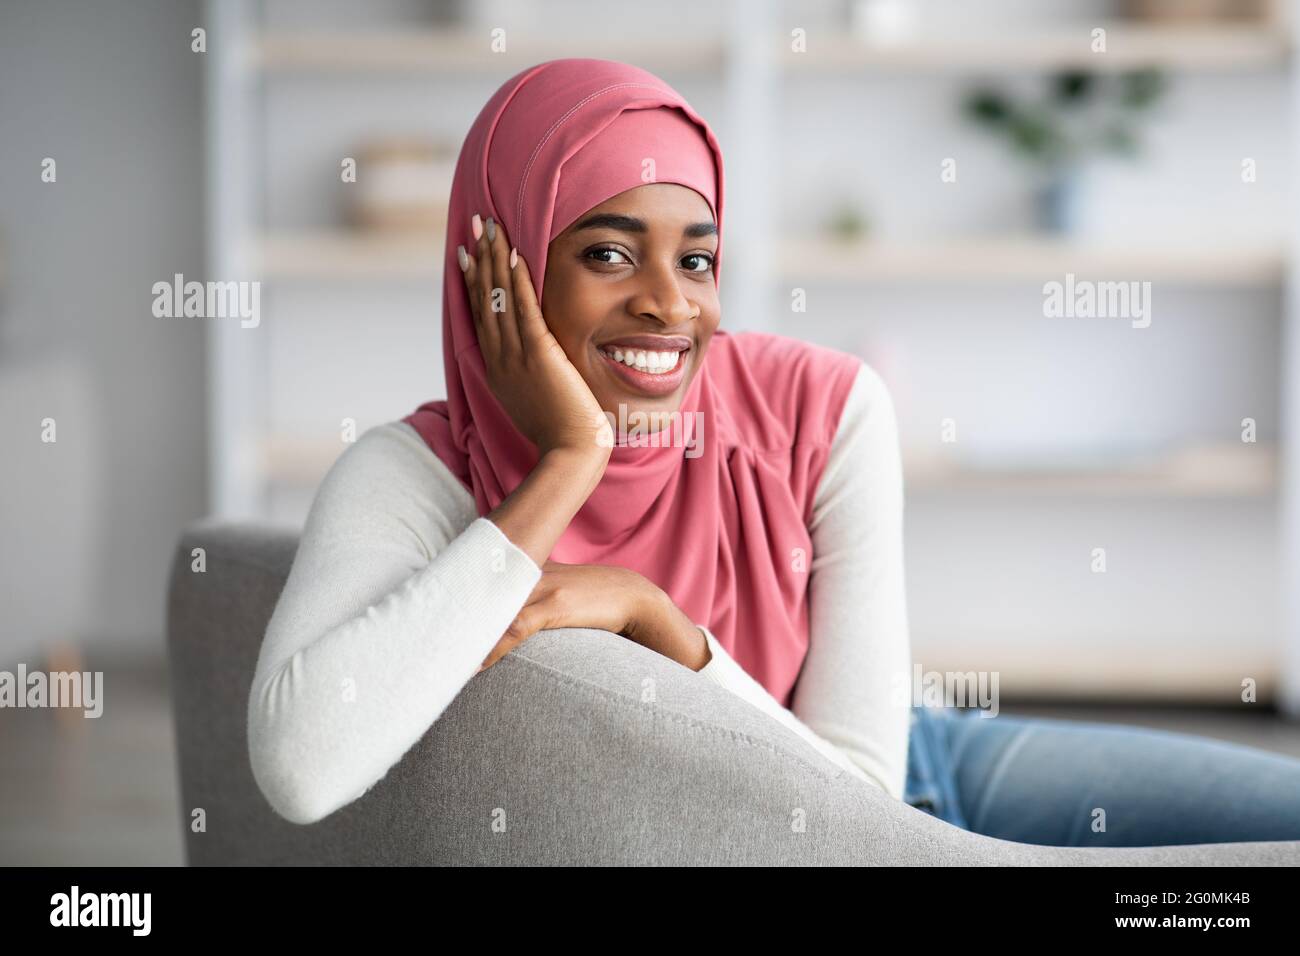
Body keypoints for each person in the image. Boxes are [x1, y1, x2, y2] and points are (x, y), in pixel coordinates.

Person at [246, 57, 1300, 848]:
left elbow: (864, 803)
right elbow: (299, 768)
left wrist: (661, 623)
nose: (668, 303)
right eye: (607, 252)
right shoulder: (413, 475)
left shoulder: (825, 407)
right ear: (500, 269)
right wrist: (567, 461)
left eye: (695, 258)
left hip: (912, 766)